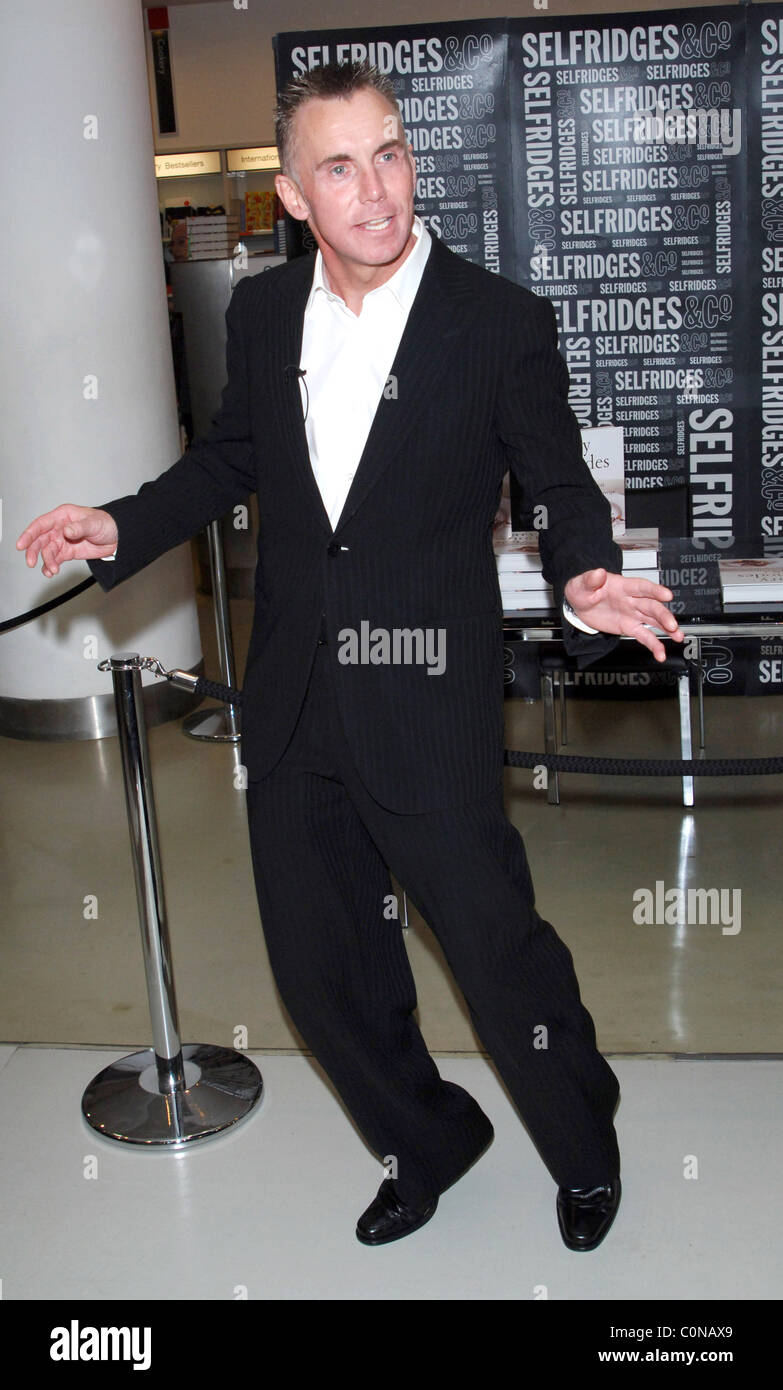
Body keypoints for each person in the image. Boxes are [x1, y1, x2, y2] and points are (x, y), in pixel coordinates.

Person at [17, 60, 683, 1251]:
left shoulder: (494, 320)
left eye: (391, 154)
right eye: (341, 166)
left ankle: (583, 1140)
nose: (376, 190)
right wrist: (123, 524)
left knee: (496, 952)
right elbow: (233, 461)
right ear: (291, 194)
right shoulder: (265, 314)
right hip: (291, 699)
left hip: (424, 694)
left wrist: (583, 568)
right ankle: (428, 1138)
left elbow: (558, 480)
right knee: (324, 972)